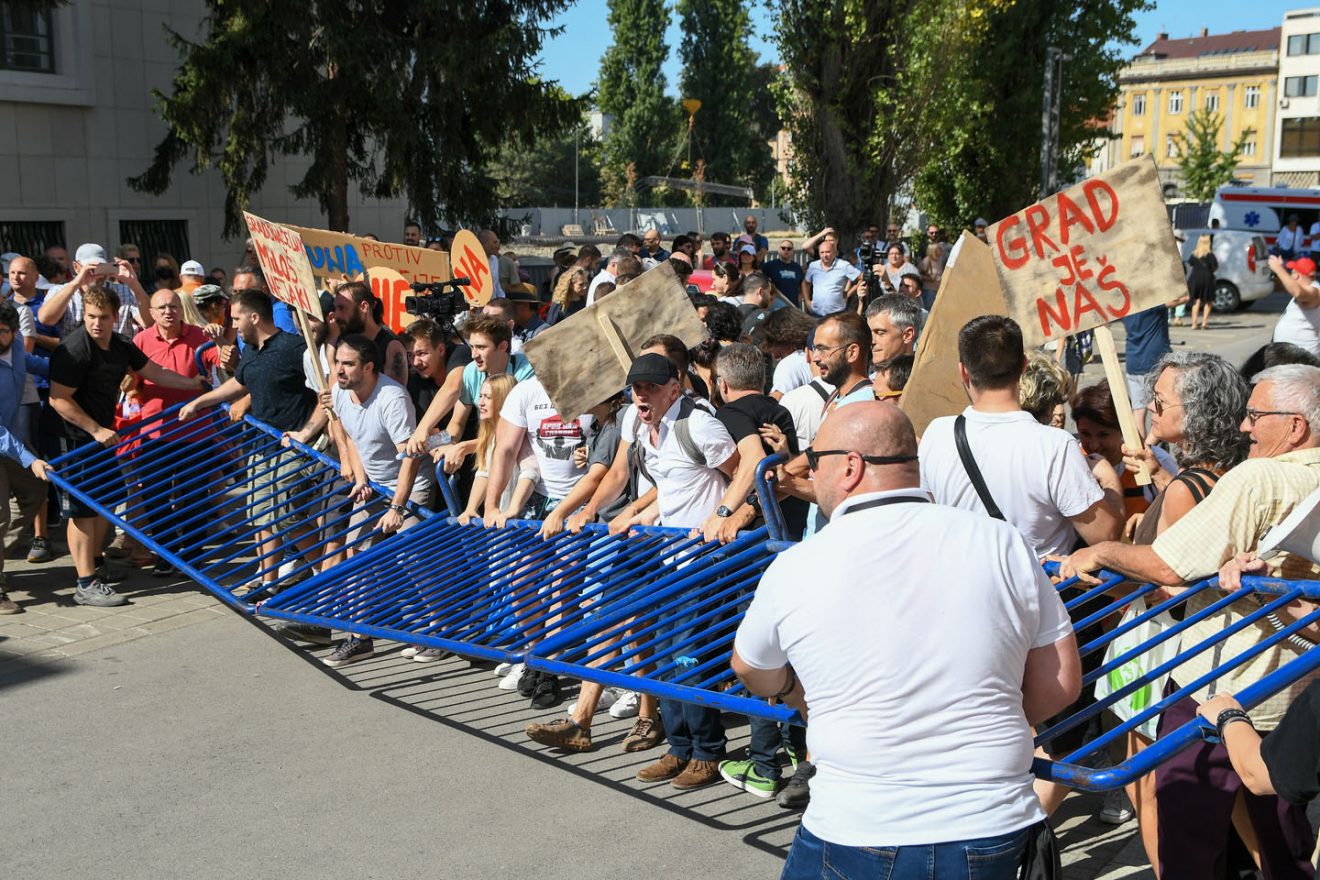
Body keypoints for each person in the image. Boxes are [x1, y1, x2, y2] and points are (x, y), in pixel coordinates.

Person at [734, 401, 1079, 879]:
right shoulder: (1003, 542)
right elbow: (1060, 682)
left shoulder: (796, 565)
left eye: (814, 461)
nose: (810, 473)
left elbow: (751, 667)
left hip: (857, 823)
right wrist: (971, 728)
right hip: (990, 820)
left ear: (850, 467)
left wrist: (798, 695)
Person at [1059, 364, 1320, 880]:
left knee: (1186, 838)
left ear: (1294, 427)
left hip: (1222, 683)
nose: (1246, 427)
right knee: (1280, 840)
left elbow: (1168, 565)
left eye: (1256, 416)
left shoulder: (1259, 476)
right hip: (1296, 689)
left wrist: (1103, 552)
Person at [1105, 351, 1251, 872]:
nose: (1151, 406)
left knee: (1148, 783)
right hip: (1202, 650)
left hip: (1159, 647)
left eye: (1161, 401)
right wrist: (1164, 479)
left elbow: (1169, 581)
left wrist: (1113, 554)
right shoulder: (1232, 474)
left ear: (1193, 414)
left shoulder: (1185, 490)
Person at [48, 287, 206, 607]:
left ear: (115, 317)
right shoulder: (75, 349)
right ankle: (84, 583)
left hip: (103, 436)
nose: (96, 323)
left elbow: (153, 372)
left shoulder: (121, 345)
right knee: (80, 511)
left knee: (103, 504)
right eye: (91, 316)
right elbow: (57, 399)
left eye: (103, 317)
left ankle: (94, 564)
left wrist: (193, 385)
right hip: (73, 436)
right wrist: (95, 429)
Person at [919, 315, 1124, 559]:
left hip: (965, 585)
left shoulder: (936, 433)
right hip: (1036, 590)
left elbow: (927, 515)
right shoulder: (1055, 446)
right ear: (1024, 366)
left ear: (963, 371)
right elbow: (1106, 536)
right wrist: (1109, 479)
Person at [179, 290, 323, 593]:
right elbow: (238, 383)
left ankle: (327, 575)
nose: (233, 323)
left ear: (254, 317)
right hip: (261, 443)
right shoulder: (251, 350)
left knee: (286, 514)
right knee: (260, 512)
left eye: (236, 317)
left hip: (292, 443)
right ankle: (270, 584)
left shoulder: (294, 347)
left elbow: (324, 393)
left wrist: (308, 433)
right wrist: (200, 402)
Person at [317, 334, 437, 668]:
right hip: (375, 485)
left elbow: (410, 458)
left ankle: (440, 628)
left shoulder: (392, 398)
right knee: (357, 555)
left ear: (368, 367)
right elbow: (350, 437)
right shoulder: (341, 392)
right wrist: (361, 478)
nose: (339, 370)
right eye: (337, 362)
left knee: (414, 553)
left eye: (348, 364)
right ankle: (360, 637)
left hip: (410, 484)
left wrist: (398, 507)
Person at [132, 289, 224, 576]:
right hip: (153, 434)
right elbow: (131, 381)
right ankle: (167, 553)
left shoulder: (200, 336)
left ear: (181, 309)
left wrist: (222, 340)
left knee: (195, 498)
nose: (168, 312)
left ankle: (194, 556)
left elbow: (224, 365)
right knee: (155, 497)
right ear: (152, 312)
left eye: (173, 306)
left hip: (196, 434)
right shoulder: (141, 340)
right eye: (161, 307)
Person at [0, 300, 53, 613]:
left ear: (14, 332)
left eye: (3, 332)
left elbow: (31, 363)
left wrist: (67, 369)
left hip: (8, 439)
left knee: (36, 491)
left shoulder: (17, 345)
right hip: (6, 440)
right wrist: (29, 458)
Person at [1070, 382, 1178, 518]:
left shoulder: (1155, 461)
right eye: (1085, 433)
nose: (1094, 445)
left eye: (1103, 434)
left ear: (1123, 431)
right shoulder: (1071, 461)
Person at [38, 244, 152, 339]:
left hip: (117, 358)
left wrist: (135, 285)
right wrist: (75, 284)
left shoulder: (125, 291)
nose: (96, 274)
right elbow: (45, 319)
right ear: (76, 267)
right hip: (77, 359)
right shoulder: (61, 291)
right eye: (91, 269)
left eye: (100, 268)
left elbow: (149, 323)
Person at [332, 281, 407, 385]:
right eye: (335, 308)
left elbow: (395, 393)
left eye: (342, 308)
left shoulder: (391, 346)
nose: (336, 315)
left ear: (363, 307)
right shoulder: (343, 340)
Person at [1122, 302, 1172, 433]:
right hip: (1154, 362)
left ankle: (1139, 448)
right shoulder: (1153, 304)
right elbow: (1182, 297)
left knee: (1138, 411)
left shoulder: (1126, 309)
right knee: (1161, 410)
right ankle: (1155, 446)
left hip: (1133, 362)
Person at [1268, 254, 1320, 358]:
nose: (1291, 276)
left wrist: (1279, 269)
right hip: (1289, 354)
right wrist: (1280, 270)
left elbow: (1298, 292)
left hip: (1302, 359)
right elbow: (1289, 287)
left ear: (1297, 275)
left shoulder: (1315, 291)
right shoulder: (1309, 287)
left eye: (1292, 273)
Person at [763, 308, 816, 400]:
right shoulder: (814, 358)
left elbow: (775, 402)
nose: (774, 355)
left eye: (770, 341)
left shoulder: (788, 365)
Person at [801, 240, 861, 317]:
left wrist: (848, 293)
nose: (825, 255)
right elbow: (805, 283)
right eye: (822, 252)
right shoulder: (813, 266)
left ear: (834, 252)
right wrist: (807, 301)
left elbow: (861, 278)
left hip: (837, 315)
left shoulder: (843, 265)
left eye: (827, 252)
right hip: (816, 314)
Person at [864, 294, 922, 366]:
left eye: (880, 333)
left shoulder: (929, 375)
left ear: (907, 335)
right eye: (869, 333)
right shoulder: (871, 377)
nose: (871, 341)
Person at [1186, 234, 1218, 331]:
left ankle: (1194, 324)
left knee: (1196, 301)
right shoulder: (1210, 254)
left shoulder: (1194, 254)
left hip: (1195, 279)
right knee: (1208, 301)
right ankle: (1204, 323)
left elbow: (1190, 264)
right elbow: (1215, 267)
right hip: (1207, 279)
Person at [762, 240, 805, 306]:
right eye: (783, 248)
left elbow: (802, 286)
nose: (786, 250)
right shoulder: (769, 266)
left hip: (793, 307)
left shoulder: (797, 268)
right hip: (775, 306)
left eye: (789, 249)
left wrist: (799, 298)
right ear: (779, 250)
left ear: (793, 251)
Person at [916, 241, 945, 310]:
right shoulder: (926, 261)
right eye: (939, 248)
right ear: (933, 250)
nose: (941, 250)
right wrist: (929, 278)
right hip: (929, 291)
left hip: (939, 290)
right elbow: (916, 274)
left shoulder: (940, 260)